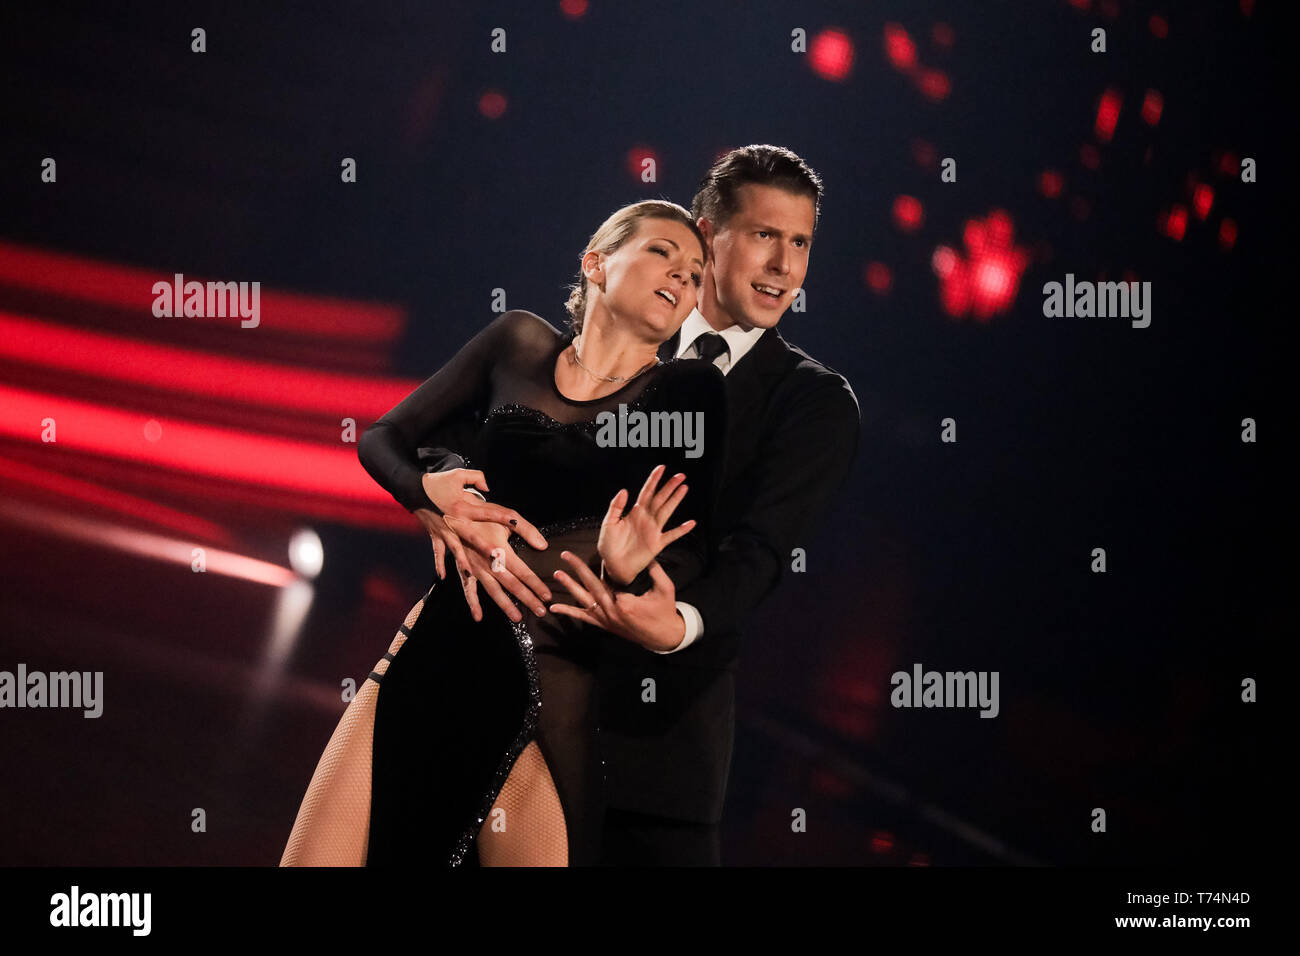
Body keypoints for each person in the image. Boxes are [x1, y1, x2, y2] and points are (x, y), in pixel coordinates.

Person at [419, 145, 861, 865]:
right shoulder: (607, 340)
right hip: (502, 706)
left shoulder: (812, 403)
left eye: (801, 242)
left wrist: (678, 623)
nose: (784, 266)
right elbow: (463, 443)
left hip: (653, 758)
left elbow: (761, 553)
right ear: (707, 233)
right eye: (763, 235)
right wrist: (440, 494)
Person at [278, 199, 726, 867]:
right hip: (434, 650)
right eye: (665, 252)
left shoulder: (688, 391)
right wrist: (429, 495)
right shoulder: (517, 341)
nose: (683, 277)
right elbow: (386, 439)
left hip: (549, 690)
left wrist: (626, 568)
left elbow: (694, 545)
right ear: (597, 262)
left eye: (696, 273)